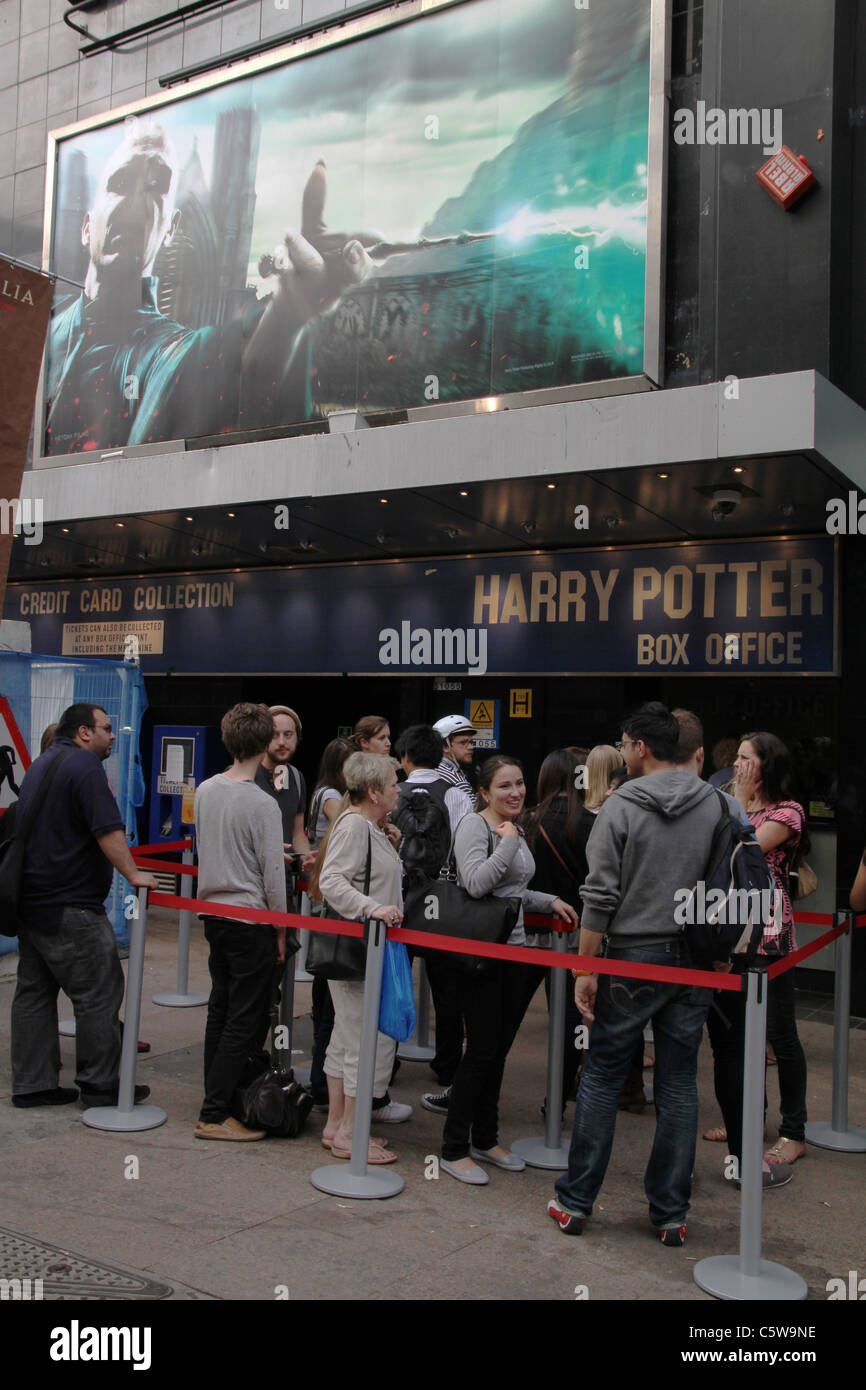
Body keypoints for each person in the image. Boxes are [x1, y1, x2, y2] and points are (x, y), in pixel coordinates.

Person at [44, 124, 379, 454]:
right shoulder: (46, 341)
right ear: (86, 227)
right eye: (120, 183)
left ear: (171, 228)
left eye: (155, 186)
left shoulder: (170, 352)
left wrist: (288, 310)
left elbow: (233, 364)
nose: (135, 203)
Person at [548, 702, 722, 1246]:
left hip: (631, 955)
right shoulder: (719, 804)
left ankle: (576, 1202)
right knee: (679, 1082)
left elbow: (599, 895)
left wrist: (585, 966)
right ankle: (670, 1214)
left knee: (602, 1075)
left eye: (624, 744)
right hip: (695, 957)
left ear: (641, 747)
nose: (623, 753)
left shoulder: (620, 805)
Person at [437, 755, 578, 1185]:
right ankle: (453, 1148)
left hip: (513, 952)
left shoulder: (510, 828)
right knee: (481, 1050)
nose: (515, 792)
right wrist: (509, 842)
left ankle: (486, 1138)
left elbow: (513, 890)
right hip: (481, 955)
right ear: (483, 792)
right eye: (504, 786)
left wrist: (548, 900)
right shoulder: (477, 826)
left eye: (519, 783)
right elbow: (476, 883)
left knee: (497, 1051)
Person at [10, 702, 157, 1108]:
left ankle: (33, 1085)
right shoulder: (85, 766)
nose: (112, 736)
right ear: (84, 732)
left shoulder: (43, 763)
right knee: (99, 993)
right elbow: (107, 829)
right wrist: (133, 874)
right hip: (71, 906)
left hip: (33, 903)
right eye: (106, 728)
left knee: (34, 994)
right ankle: (100, 1085)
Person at [194, 703, 287, 1141]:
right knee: (244, 1020)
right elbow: (272, 876)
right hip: (251, 918)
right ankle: (214, 1112)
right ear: (266, 743)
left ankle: (217, 1097)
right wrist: (282, 929)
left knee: (221, 1010)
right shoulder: (263, 804)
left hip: (214, 912)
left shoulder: (206, 789)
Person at [315, 752, 409, 1162]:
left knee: (347, 1036)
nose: (399, 790)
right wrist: (372, 908)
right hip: (362, 948)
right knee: (363, 1039)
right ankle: (351, 1134)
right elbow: (332, 880)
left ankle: (338, 1125)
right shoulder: (356, 825)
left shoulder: (365, 825)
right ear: (373, 792)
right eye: (393, 784)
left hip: (363, 947)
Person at [731, 732, 809, 1169]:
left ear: (766, 765)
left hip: (770, 930)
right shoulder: (737, 803)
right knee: (742, 1034)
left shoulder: (788, 811)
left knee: (780, 1033)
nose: (737, 764)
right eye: (736, 757)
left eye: (746, 758)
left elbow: (746, 849)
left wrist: (739, 802)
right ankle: (748, 1119)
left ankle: (793, 1131)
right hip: (734, 925)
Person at [394, 724, 474, 1095]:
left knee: (395, 982)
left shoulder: (392, 793)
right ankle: (447, 1066)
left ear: (405, 757)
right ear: (441, 753)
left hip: (398, 900)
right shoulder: (456, 793)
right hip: (444, 898)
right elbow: (465, 846)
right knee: (448, 990)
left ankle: (387, 1060)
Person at [525, 749, 591, 1110]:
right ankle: (560, 1093)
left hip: (529, 932)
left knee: (506, 1015)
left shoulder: (527, 820)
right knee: (569, 1018)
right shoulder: (592, 823)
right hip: (577, 933)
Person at [305, 736, 354, 1110]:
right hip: (331, 904)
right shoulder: (332, 795)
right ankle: (322, 1084)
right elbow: (347, 823)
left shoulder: (323, 790)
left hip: (325, 896)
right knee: (330, 1003)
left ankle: (321, 1081)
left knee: (327, 999)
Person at [255, 704, 315, 913]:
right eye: (275, 735)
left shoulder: (296, 778)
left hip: (283, 886)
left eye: (288, 735)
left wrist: (307, 857)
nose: (281, 742)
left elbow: (297, 833)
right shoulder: (246, 775)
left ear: (297, 738)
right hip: (249, 887)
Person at [433, 714, 477, 796]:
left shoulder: (429, 770)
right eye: (463, 742)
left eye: (471, 742)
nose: (471, 747)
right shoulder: (458, 783)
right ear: (445, 746)